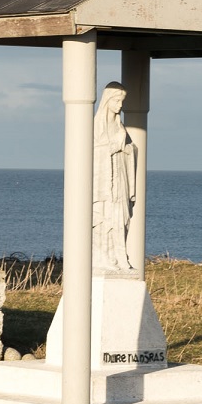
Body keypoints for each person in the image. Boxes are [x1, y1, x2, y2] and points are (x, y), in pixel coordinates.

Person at [92, 82, 136, 273]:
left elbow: (131, 148)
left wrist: (126, 148)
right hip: (104, 183)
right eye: (117, 100)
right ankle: (104, 257)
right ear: (108, 100)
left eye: (122, 101)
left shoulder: (119, 126)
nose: (120, 105)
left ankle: (120, 257)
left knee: (121, 217)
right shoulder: (96, 126)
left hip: (120, 177)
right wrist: (114, 146)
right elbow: (91, 152)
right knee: (105, 218)